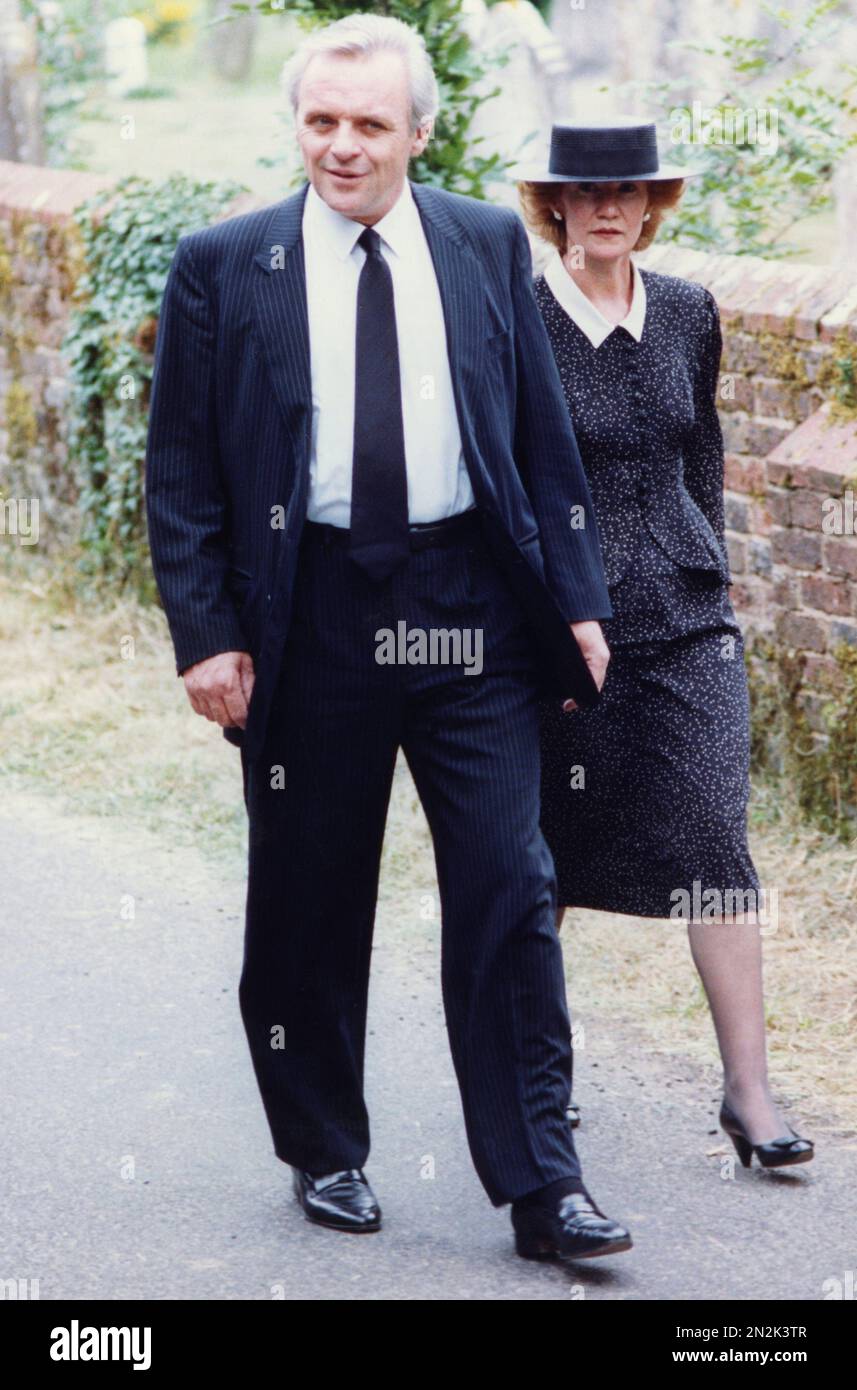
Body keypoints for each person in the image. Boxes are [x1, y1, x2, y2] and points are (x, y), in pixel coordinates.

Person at [145, 16, 634, 1262]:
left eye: (369, 124)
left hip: (468, 605)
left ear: (420, 131)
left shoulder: (480, 243)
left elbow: (537, 434)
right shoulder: (223, 263)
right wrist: (207, 633)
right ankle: (324, 1145)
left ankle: (542, 1185)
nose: (342, 146)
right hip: (307, 619)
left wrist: (575, 598)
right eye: (321, 120)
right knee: (307, 897)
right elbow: (185, 470)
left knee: (510, 888)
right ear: (297, 124)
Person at [514, 119, 813, 1172]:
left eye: (627, 191)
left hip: (686, 623)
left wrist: (713, 582)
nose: (606, 208)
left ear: (650, 203)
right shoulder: (515, 315)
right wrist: (544, 621)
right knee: (536, 856)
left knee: (710, 843)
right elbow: (504, 484)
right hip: (560, 632)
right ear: (552, 203)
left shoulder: (687, 310)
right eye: (584, 192)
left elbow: (703, 457)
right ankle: (536, 1088)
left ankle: (749, 1093)